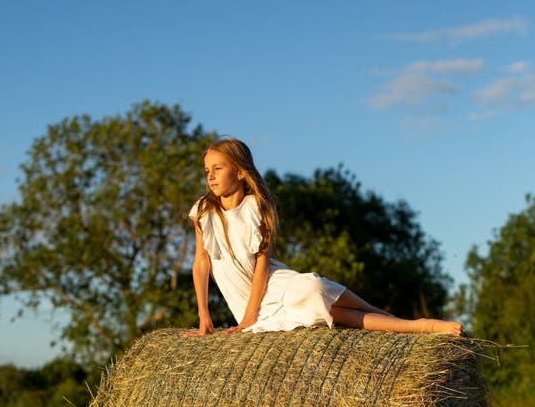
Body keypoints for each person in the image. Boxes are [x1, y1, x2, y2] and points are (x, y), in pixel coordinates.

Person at [182, 139, 463, 338]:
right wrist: (204, 316)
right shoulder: (204, 211)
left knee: (316, 290)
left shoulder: (258, 207)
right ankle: (415, 327)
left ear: (241, 172)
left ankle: (409, 324)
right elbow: (201, 263)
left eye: (218, 168)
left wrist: (249, 318)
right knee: (331, 313)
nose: (211, 176)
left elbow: (262, 265)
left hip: (270, 287)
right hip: (245, 302)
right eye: (207, 171)